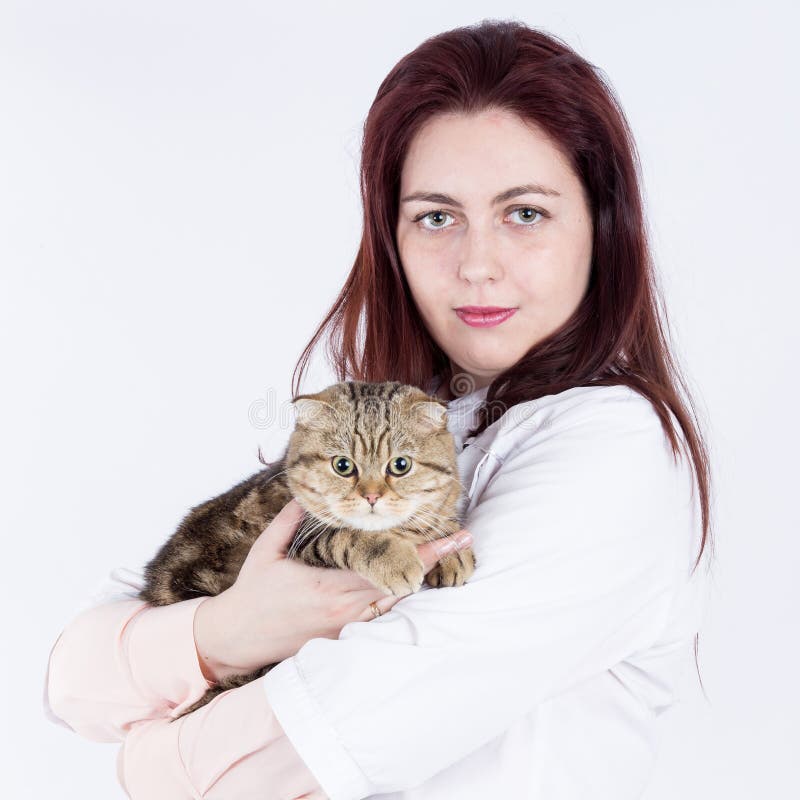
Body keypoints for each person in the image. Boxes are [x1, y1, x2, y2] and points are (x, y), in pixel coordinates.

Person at [44, 18, 713, 800]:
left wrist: (143, 756)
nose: (477, 264)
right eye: (437, 216)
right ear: (390, 238)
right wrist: (227, 632)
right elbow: (71, 681)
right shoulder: (407, 426)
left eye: (524, 213)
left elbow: (275, 762)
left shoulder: (613, 451)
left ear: (602, 228)